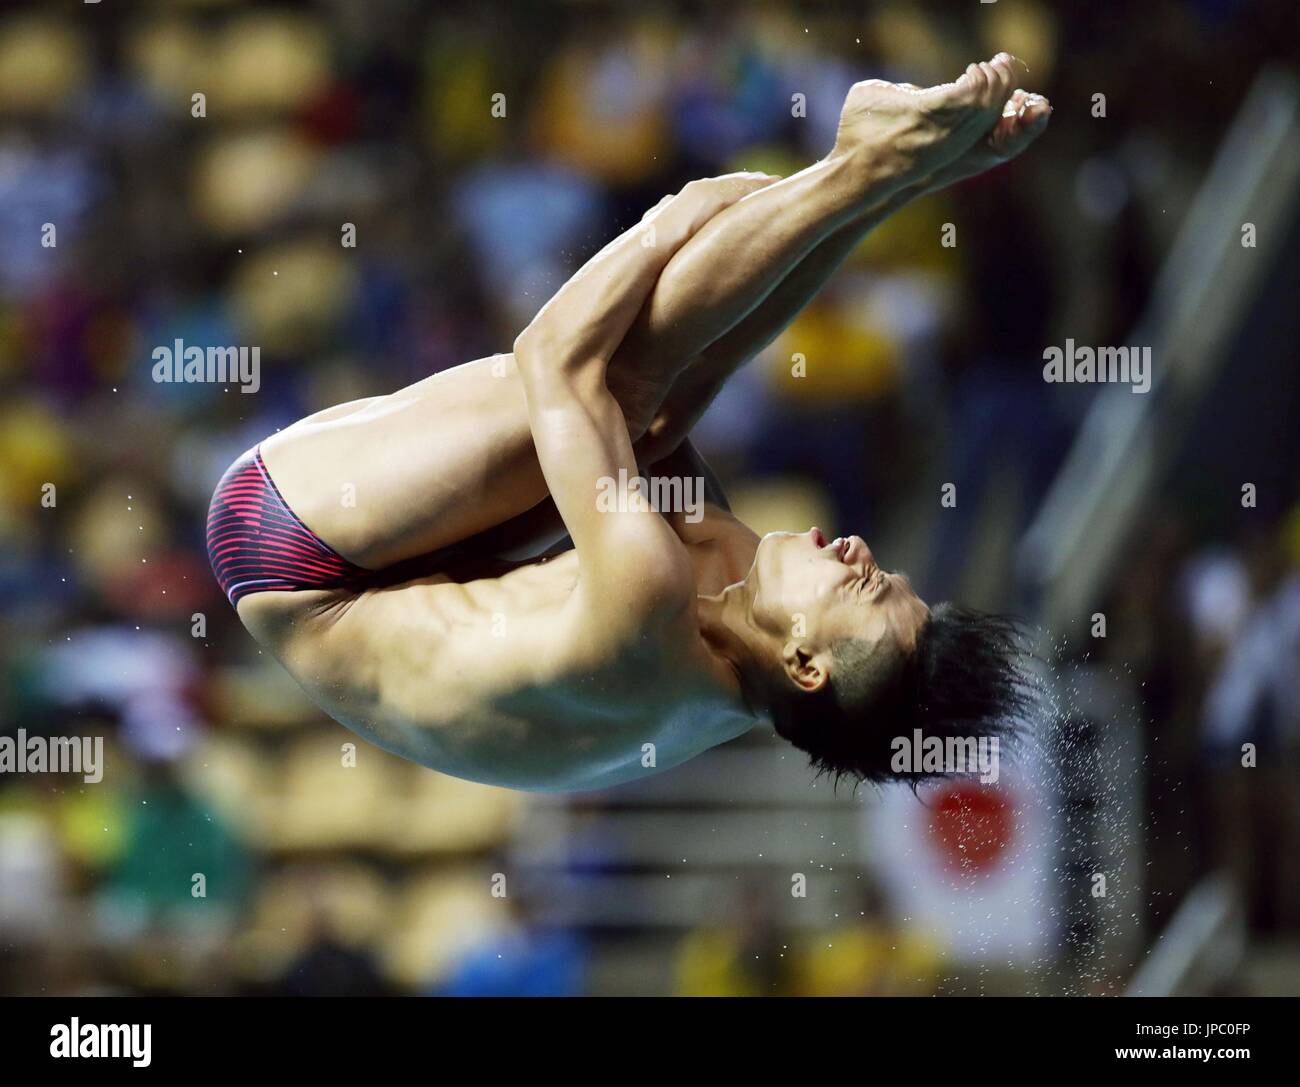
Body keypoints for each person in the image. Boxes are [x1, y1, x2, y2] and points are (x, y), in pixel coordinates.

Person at [207, 56, 1047, 792]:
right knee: (653, 405)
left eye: (863, 586)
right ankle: (883, 168)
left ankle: (869, 160)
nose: (864, 553)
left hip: (293, 549)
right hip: (411, 573)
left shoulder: (651, 612)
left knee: (622, 380)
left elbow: (553, 358)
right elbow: (693, 384)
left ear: (803, 661)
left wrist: (667, 219)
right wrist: (908, 185)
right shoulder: (737, 621)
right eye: (887, 570)